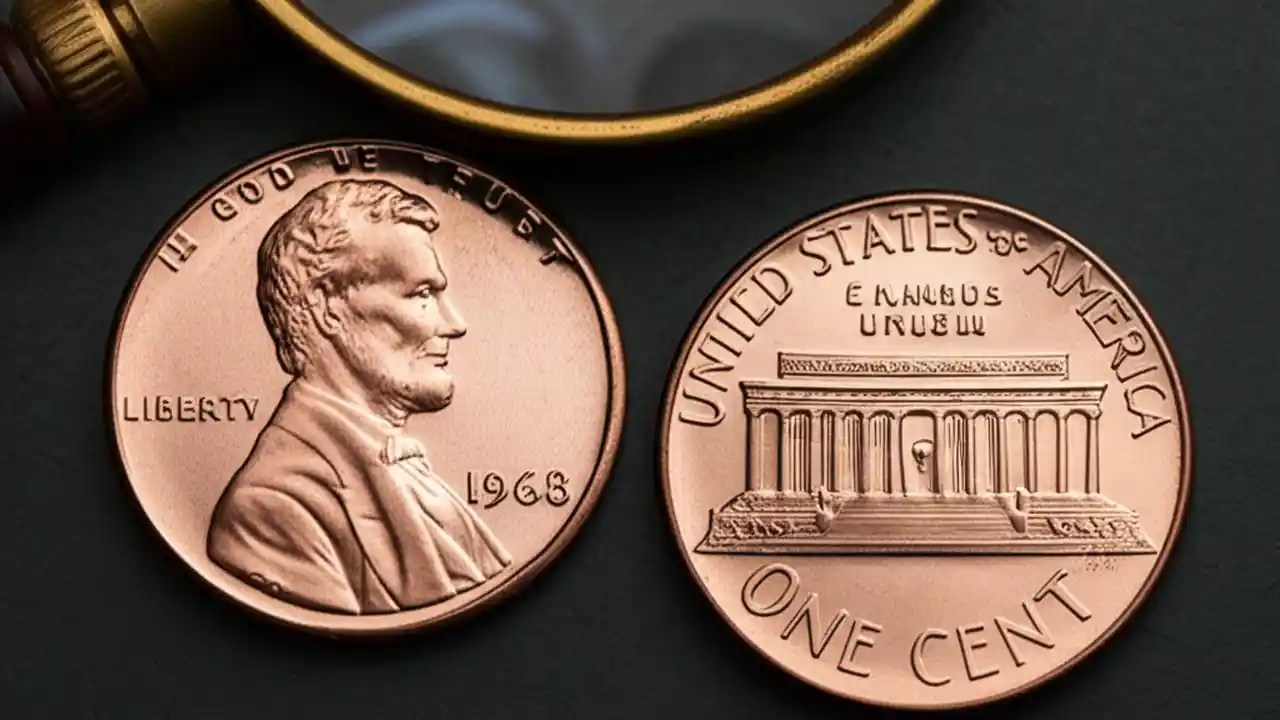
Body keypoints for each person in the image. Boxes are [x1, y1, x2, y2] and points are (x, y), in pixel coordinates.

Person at [207, 179, 510, 615]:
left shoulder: (406, 470)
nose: (454, 322)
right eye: (422, 294)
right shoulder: (270, 508)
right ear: (326, 306)